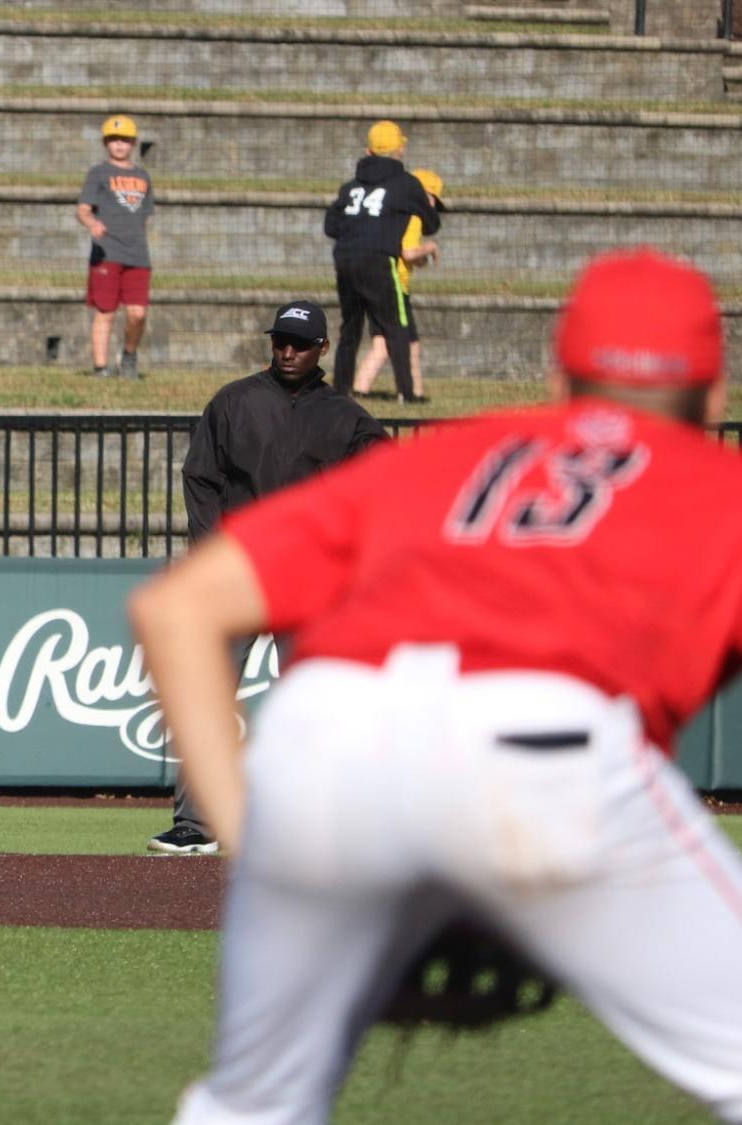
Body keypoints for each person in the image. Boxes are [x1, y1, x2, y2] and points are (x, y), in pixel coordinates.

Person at [130, 248, 742, 1123]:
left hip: (330, 738)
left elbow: (178, 608)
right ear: (715, 395)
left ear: (560, 377)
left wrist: (263, 855)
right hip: (547, 750)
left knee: (250, 1105)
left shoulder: (449, 459)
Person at [148, 300, 387, 855]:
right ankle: (196, 823)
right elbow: (200, 478)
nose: (286, 350)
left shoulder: (346, 417)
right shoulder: (235, 401)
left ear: (322, 348)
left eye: (299, 343)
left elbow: (383, 481)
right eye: (280, 340)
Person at [325, 120, 440, 402]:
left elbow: (331, 226)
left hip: (345, 258)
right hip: (378, 260)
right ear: (400, 150)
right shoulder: (406, 184)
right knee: (396, 326)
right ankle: (407, 392)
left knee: (350, 326)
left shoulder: (350, 186)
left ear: (369, 151)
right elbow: (431, 222)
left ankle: (341, 390)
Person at [352, 167, 445, 402]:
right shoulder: (413, 216)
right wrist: (430, 248)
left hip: (373, 283)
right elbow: (408, 251)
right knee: (410, 343)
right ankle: (412, 394)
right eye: (433, 200)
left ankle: (359, 392)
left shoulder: (393, 213)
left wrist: (420, 257)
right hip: (394, 287)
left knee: (381, 344)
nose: (433, 207)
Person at [76, 114, 154, 380]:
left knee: (138, 314)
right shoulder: (98, 173)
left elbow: (144, 216)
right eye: (113, 139)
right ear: (105, 143)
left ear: (132, 143)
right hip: (107, 254)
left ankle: (129, 356)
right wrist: (92, 224)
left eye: (124, 139)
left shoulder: (143, 176)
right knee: (105, 311)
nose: (119, 144)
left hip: (137, 255)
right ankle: (101, 368)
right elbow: (83, 209)